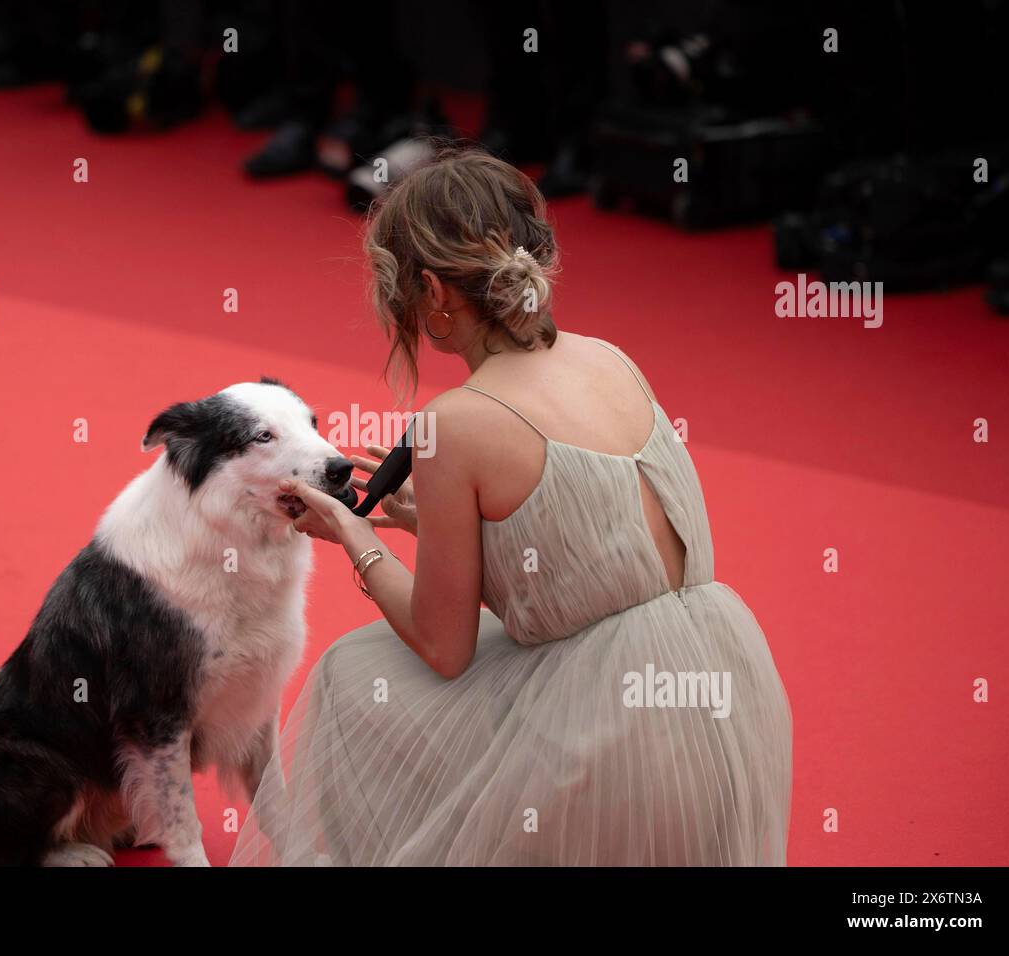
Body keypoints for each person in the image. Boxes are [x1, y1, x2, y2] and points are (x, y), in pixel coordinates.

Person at [230, 146, 792, 866]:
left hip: (609, 728)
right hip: (730, 698)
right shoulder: (610, 357)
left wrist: (354, 533)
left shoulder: (457, 423)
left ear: (432, 290)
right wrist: (432, 523)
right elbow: (605, 555)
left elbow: (444, 647)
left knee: (352, 674)